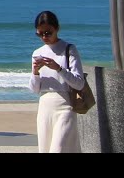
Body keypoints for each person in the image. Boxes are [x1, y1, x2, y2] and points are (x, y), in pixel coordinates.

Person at [29, 10, 85, 153]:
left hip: (65, 106)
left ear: (57, 28)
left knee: (58, 149)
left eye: (48, 33)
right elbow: (35, 89)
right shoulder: (37, 53)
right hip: (45, 107)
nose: (44, 37)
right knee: (45, 149)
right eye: (40, 34)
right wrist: (35, 72)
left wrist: (59, 68)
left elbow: (79, 83)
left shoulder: (69, 49)